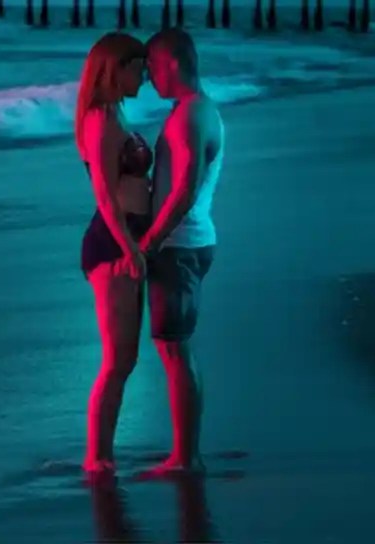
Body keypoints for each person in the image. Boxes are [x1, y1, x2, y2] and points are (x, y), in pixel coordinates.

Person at [139, 27, 226, 476]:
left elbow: (185, 190)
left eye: (152, 67)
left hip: (180, 247)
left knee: (175, 352)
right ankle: (184, 451)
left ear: (172, 63)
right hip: (187, 244)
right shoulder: (197, 109)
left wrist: (150, 241)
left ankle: (185, 457)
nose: (149, 78)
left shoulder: (192, 114)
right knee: (176, 350)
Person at [74, 32, 152, 478]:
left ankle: (104, 452)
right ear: (114, 69)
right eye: (138, 68)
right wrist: (130, 248)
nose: (145, 77)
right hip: (112, 243)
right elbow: (104, 193)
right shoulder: (100, 120)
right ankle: (97, 457)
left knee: (127, 358)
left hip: (129, 238)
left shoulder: (116, 114)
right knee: (117, 359)